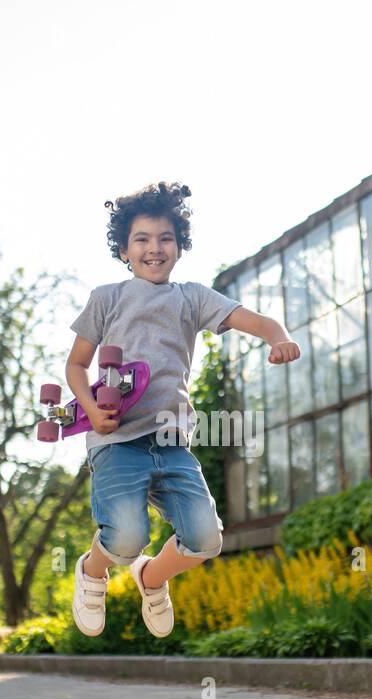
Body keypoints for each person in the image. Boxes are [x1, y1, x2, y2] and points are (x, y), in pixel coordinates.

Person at [66, 181, 301, 638]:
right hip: (117, 443)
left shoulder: (192, 298)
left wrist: (279, 337)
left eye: (165, 238)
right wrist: (93, 411)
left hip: (173, 444)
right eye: (142, 239)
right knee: (127, 539)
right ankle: (94, 570)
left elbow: (258, 320)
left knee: (206, 539)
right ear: (124, 249)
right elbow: (76, 365)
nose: (155, 248)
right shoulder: (107, 299)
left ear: (180, 245)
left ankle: (151, 579)